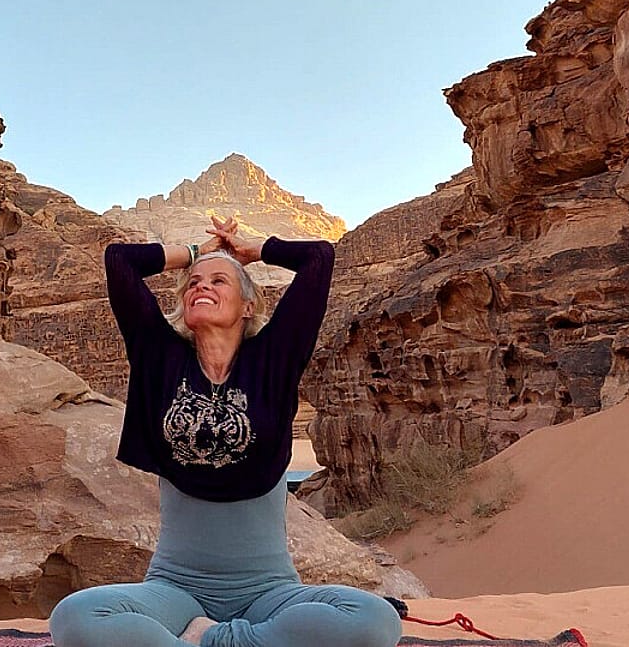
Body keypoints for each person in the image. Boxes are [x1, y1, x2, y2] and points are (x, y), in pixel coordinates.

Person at [49, 217, 402, 647]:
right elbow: (119, 261)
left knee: (375, 620)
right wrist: (198, 253)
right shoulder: (160, 357)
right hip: (176, 589)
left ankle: (207, 640)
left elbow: (318, 258)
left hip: (269, 590)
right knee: (74, 617)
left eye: (219, 282)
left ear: (248, 306)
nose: (202, 286)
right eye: (194, 284)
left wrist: (251, 250)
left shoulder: (275, 357)